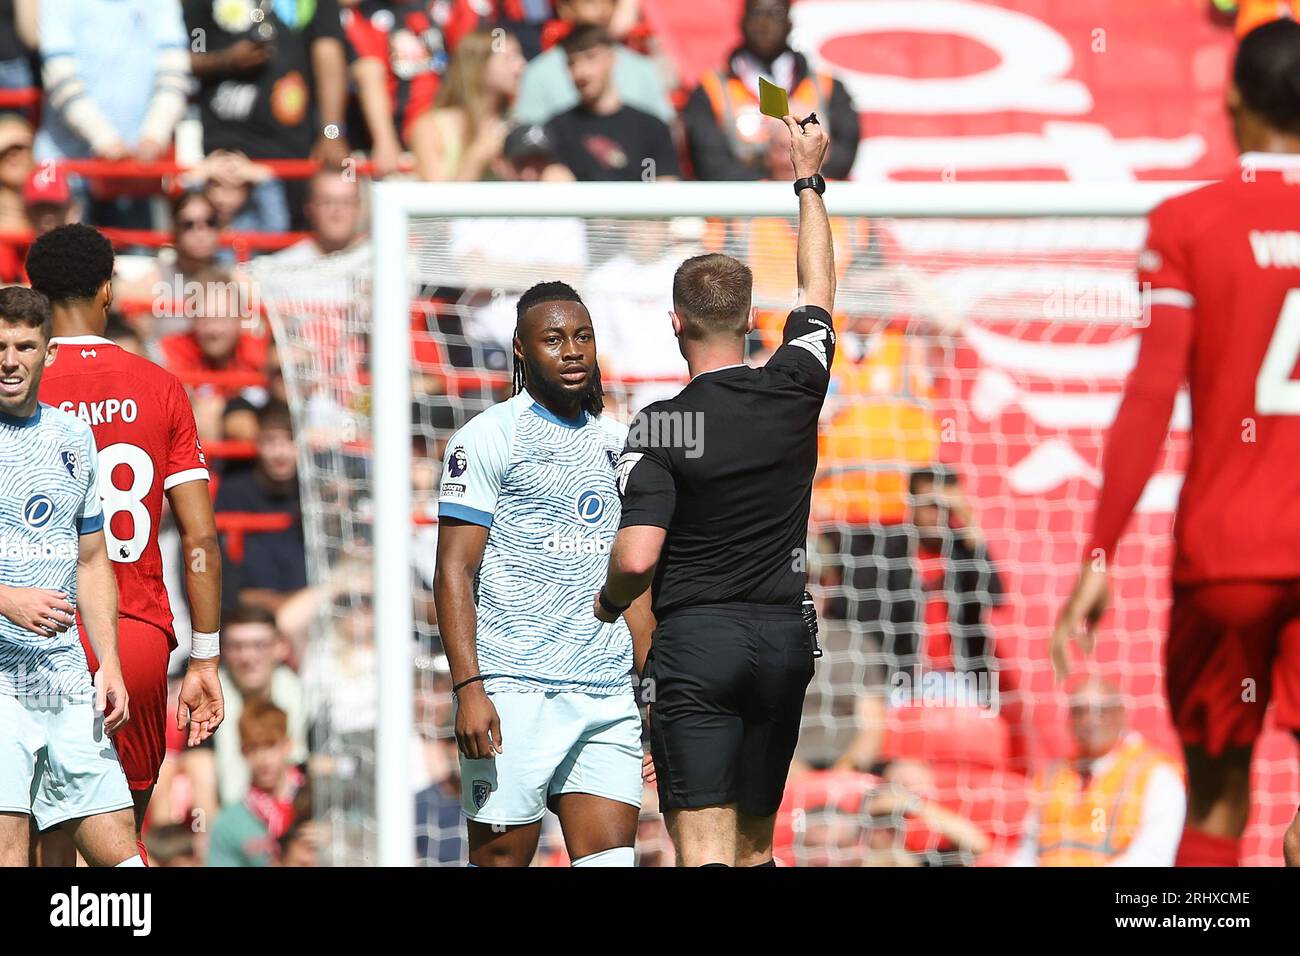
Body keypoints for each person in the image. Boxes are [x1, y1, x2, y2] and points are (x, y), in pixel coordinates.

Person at [1051, 18, 1300, 868]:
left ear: (1233, 101)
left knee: (1218, 805)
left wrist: (1099, 553)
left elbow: (1152, 396)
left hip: (1228, 556)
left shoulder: (1191, 221)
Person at [594, 114, 835, 866]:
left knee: (704, 855)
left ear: (676, 323)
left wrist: (605, 602)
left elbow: (637, 557)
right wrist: (807, 179)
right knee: (757, 851)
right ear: (753, 320)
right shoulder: (795, 386)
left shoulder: (662, 425)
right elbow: (820, 290)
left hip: (699, 644)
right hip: (784, 640)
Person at [433, 281, 654, 867]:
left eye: (583, 337)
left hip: (606, 694)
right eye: (553, 339)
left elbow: (632, 580)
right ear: (521, 349)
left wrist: (653, 690)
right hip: (512, 691)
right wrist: (469, 689)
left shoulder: (622, 444)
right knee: (502, 860)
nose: (573, 350)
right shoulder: (487, 437)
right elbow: (454, 571)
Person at [29, 223, 225, 865]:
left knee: (34, 839)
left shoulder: (17, 385)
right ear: (107, 291)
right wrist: (204, 658)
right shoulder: (160, 385)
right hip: (135, 641)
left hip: (35, 634)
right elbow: (200, 536)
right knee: (121, 842)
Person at [0, 285, 139, 867]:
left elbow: (91, 559)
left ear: (49, 353)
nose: (10, 361)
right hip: (1, 679)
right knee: (9, 847)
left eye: (24, 347)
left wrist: (109, 661)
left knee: (121, 854)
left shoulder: (73, 436)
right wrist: (7, 599)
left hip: (63, 675)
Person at [183, 0, 350, 227]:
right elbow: (187, 54)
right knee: (208, 236)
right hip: (220, 157)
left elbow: (328, 52)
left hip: (287, 153)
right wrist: (226, 60)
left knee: (286, 236)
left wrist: (332, 132)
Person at [36, 0, 191, 228]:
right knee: (66, 249)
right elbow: (59, 76)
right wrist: (104, 138)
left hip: (136, 171)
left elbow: (175, 73)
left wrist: (154, 135)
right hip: (69, 171)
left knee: (137, 249)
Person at [1012, 676, 1185, 866]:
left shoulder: (1156, 774)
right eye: (1080, 711)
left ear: (1120, 714)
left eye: (1101, 711)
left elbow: (1153, 857)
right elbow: (1026, 853)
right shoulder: (1052, 776)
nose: (1090, 720)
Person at [684, 0, 859, 182]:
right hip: (745, 198)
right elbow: (709, 162)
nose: (764, 23)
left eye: (775, 13)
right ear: (742, 21)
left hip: (814, 194)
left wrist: (806, 182)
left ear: (789, 23)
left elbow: (845, 151)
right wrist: (769, 182)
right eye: (757, 13)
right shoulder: (711, 88)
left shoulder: (826, 86)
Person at [202, 605, 307, 808]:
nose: (248, 657)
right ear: (223, 650)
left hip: (289, 811)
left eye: (260, 645)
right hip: (229, 813)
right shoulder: (204, 699)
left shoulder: (301, 695)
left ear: (281, 647)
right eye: (236, 646)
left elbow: (302, 762)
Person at [544, 26, 679, 182]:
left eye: (590, 57)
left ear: (612, 58)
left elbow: (665, 184)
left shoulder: (651, 127)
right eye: (572, 63)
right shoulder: (556, 129)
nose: (581, 72)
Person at [214, 401, 309, 617]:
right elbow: (218, 569)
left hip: (307, 609)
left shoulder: (315, 494)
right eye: (270, 440)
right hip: (245, 615)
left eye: (290, 439)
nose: (280, 452)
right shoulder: (232, 492)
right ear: (257, 442)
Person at [514, 0, 673, 126]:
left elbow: (662, 134)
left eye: (609, 1)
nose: (602, 8)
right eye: (590, 1)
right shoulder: (539, 74)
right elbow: (530, 139)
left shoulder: (642, 68)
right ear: (564, 8)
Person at [344, 0, 451, 178]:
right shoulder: (365, 15)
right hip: (403, 138)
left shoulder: (432, 10)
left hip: (443, 127)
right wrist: (385, 141)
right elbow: (368, 73)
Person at [206, 699, 306, 866]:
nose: (263, 759)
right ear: (243, 752)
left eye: (271, 745)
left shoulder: (314, 801)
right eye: (254, 748)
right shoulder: (228, 823)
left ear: (288, 746)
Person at [421, 27, 525, 181]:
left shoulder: (517, 122)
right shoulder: (431, 128)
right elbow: (436, 195)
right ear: (479, 65)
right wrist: (477, 158)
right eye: (509, 58)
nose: (521, 65)